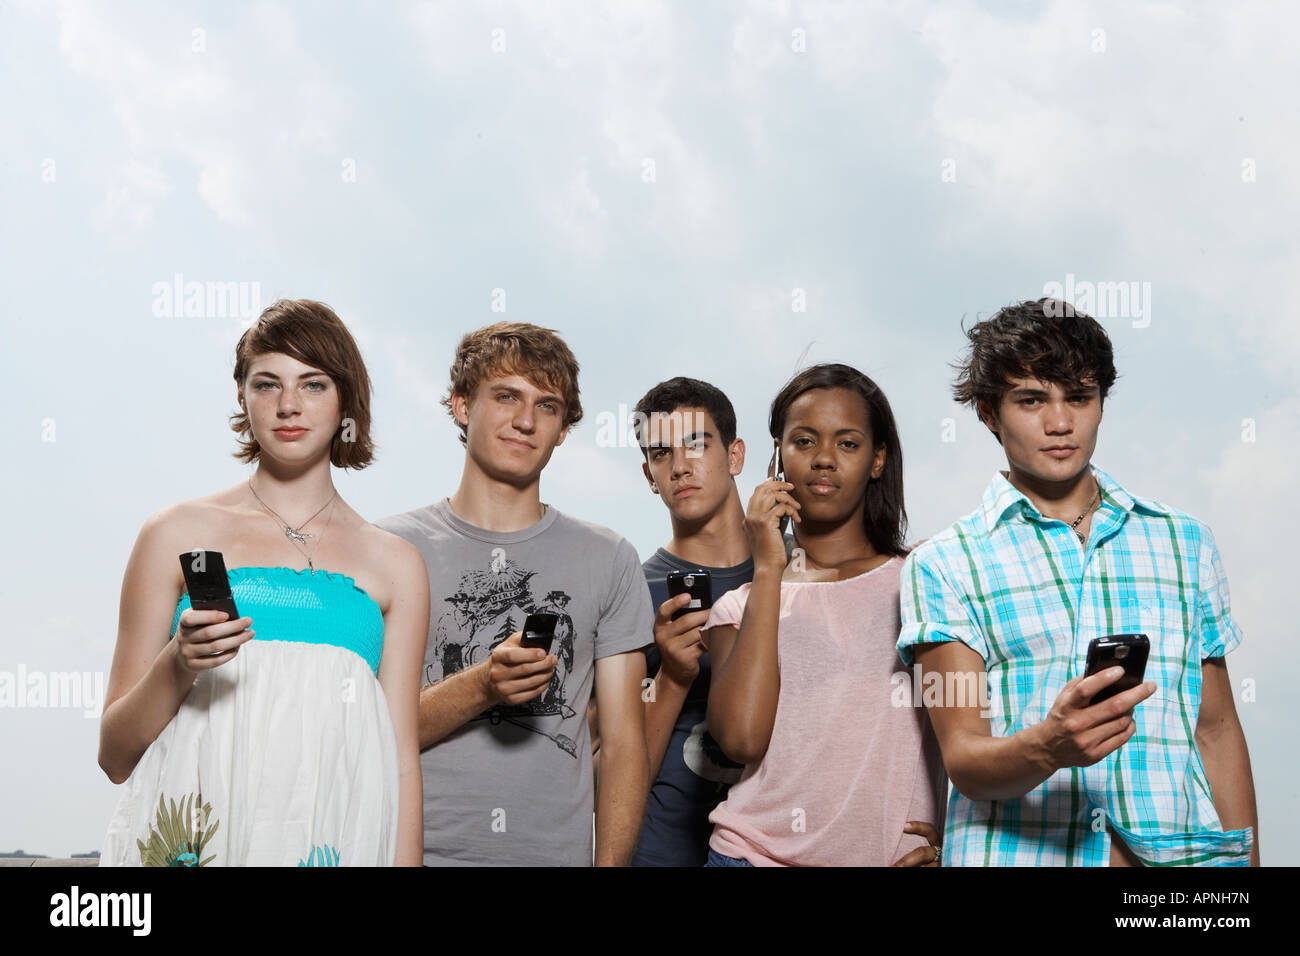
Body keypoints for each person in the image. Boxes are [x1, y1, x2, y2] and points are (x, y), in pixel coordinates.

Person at [898, 298, 1259, 866]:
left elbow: (1215, 732)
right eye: (1032, 399)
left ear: (1100, 404)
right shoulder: (946, 563)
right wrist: (1050, 746)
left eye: (1079, 398)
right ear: (990, 413)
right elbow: (964, 758)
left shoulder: (1184, 542)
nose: (1060, 422)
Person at [98, 299, 427, 866]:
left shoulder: (396, 563)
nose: (289, 405)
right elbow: (115, 756)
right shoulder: (174, 533)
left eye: (314, 384)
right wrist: (179, 661)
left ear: (346, 398)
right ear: (242, 397)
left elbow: (399, 760)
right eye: (268, 384)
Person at [374, 322, 651, 866]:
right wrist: (482, 686)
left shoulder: (609, 556)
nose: (526, 421)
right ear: (461, 405)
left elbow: (624, 746)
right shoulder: (388, 548)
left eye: (547, 406)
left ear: (563, 429)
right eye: (506, 397)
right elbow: (369, 731)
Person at [704, 363, 947, 866]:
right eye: (805, 441)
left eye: (848, 443)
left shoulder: (925, 579)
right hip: (750, 856)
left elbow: (978, 723)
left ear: (878, 460)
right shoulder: (742, 605)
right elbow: (741, 740)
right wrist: (769, 566)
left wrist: (957, 842)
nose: (824, 460)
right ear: (778, 457)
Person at [627, 377, 751, 866]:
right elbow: (612, 764)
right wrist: (671, 677)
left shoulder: (794, 574)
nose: (680, 467)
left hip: (780, 845)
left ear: (735, 456)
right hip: (662, 849)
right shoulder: (633, 591)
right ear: (648, 474)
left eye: (697, 444)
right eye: (661, 454)